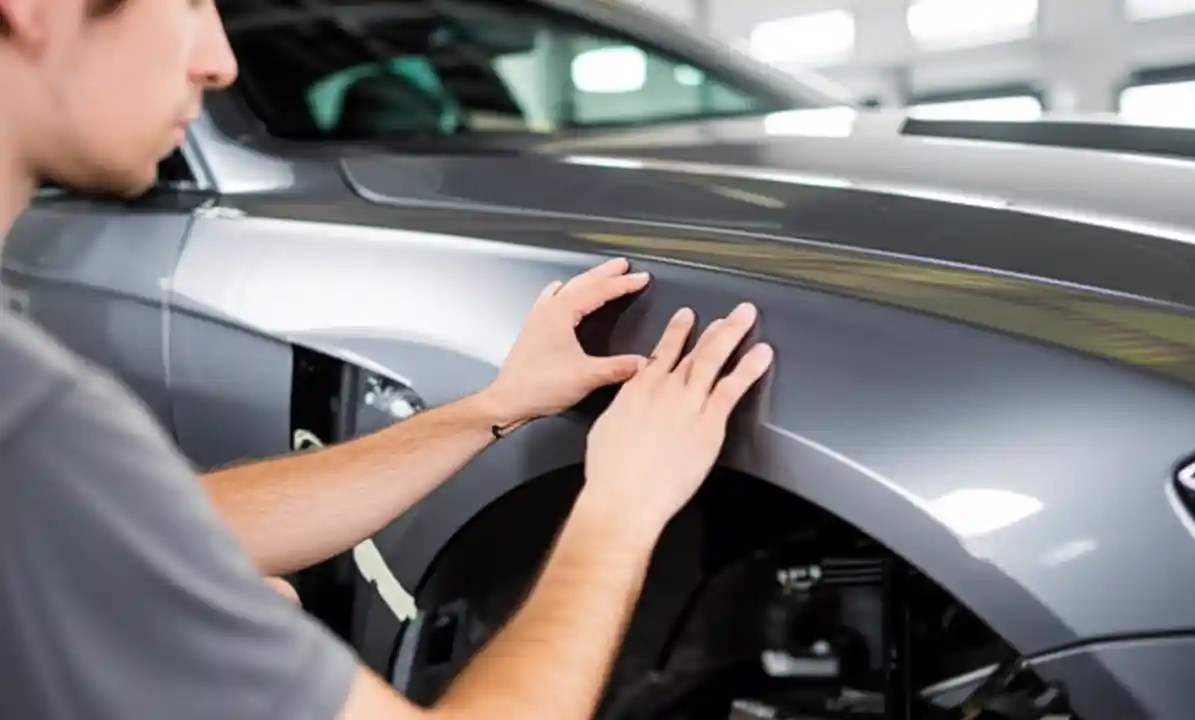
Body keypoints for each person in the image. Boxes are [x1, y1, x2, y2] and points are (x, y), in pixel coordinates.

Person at [0, 1, 775, 719]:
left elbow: (178, 527)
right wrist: (622, 508)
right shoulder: (35, 419)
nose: (219, 58)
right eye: (188, 2)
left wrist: (492, 407)